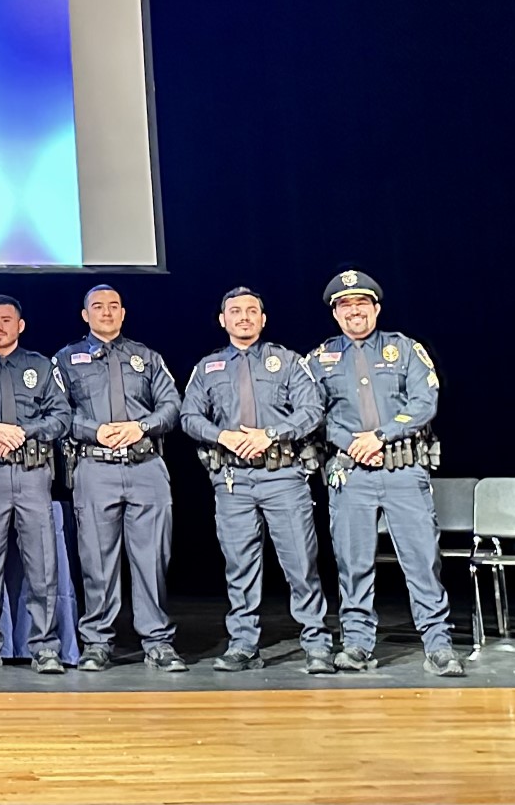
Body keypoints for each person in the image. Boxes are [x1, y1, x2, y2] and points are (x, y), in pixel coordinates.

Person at [307, 270, 463, 676]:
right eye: (345, 306)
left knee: (421, 560)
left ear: (375, 308)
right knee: (352, 561)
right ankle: (357, 644)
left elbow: (425, 401)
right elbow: (313, 416)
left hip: (403, 469)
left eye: (361, 303)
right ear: (335, 315)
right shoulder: (318, 359)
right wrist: (353, 443)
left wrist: (379, 436)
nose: (354, 311)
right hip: (351, 474)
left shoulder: (405, 349)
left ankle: (439, 645)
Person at [179, 287, 335, 674]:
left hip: (282, 475)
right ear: (223, 320)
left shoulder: (288, 362)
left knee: (300, 563)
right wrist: (223, 436)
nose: (244, 317)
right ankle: (244, 644)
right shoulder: (208, 367)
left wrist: (271, 434)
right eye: (235, 311)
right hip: (233, 481)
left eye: (252, 311)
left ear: (263, 319)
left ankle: (316, 642)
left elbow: (312, 409)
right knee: (240, 565)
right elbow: (189, 417)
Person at [54, 285, 185, 672]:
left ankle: (158, 641)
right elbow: (58, 413)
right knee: (97, 561)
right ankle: (97, 641)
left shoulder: (146, 357)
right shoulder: (65, 360)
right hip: (95, 469)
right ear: (85, 315)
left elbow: (172, 406)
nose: (106, 313)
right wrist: (95, 430)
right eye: (98, 307)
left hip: (146, 468)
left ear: (123, 314)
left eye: (113, 307)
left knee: (152, 559)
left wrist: (141, 426)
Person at [0, 295, 71, 675]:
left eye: (6, 320)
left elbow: (61, 417)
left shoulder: (40, 366)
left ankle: (44, 646)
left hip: (31, 475)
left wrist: (23, 433)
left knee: (41, 565)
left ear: (20, 326)